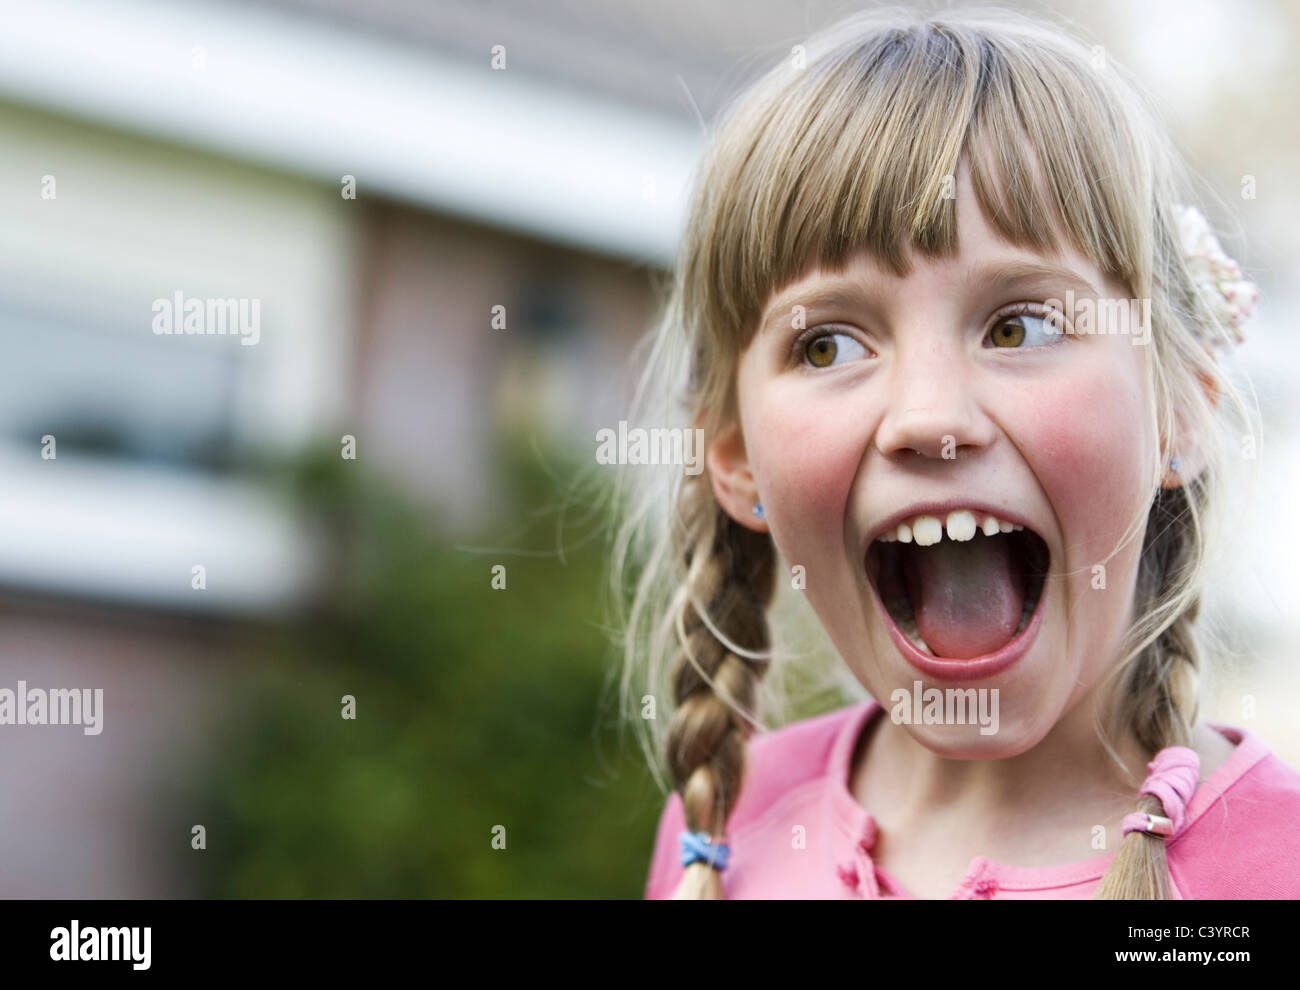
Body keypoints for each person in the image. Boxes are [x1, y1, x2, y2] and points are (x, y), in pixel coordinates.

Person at [610, 6, 1299, 899]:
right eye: (828, 345)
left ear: (1178, 408)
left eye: (1021, 324)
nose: (930, 418)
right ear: (735, 459)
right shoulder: (722, 835)